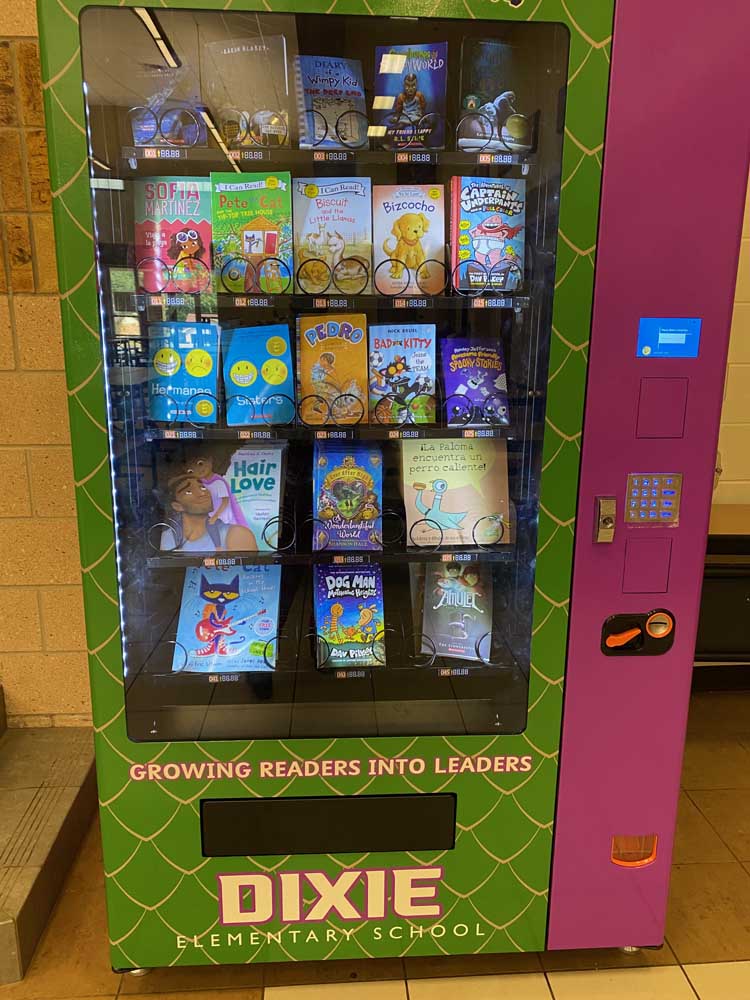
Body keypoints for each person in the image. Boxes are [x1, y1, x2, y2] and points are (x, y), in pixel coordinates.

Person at [160, 475, 257, 552]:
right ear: (177, 506)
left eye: (202, 487)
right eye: (188, 491)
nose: (203, 493)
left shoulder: (238, 534)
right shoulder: (168, 538)